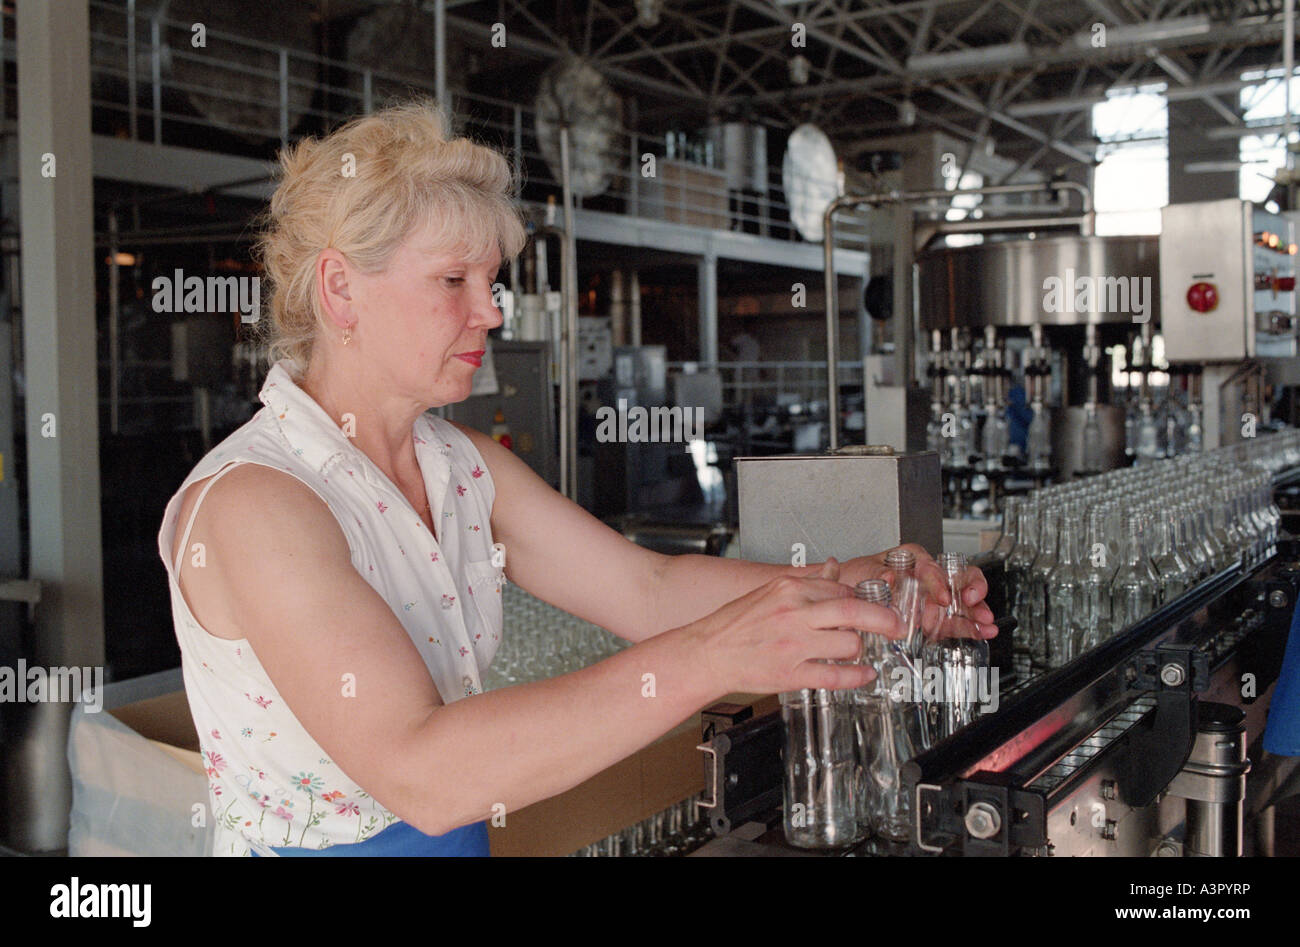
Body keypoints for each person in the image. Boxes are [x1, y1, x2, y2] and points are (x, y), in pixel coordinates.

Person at [157, 101, 996, 857]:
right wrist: (713, 656)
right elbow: (422, 770)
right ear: (341, 289)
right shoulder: (255, 502)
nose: (492, 311)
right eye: (455, 281)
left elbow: (650, 584)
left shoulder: (460, 464)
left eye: (491, 283)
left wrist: (857, 589)